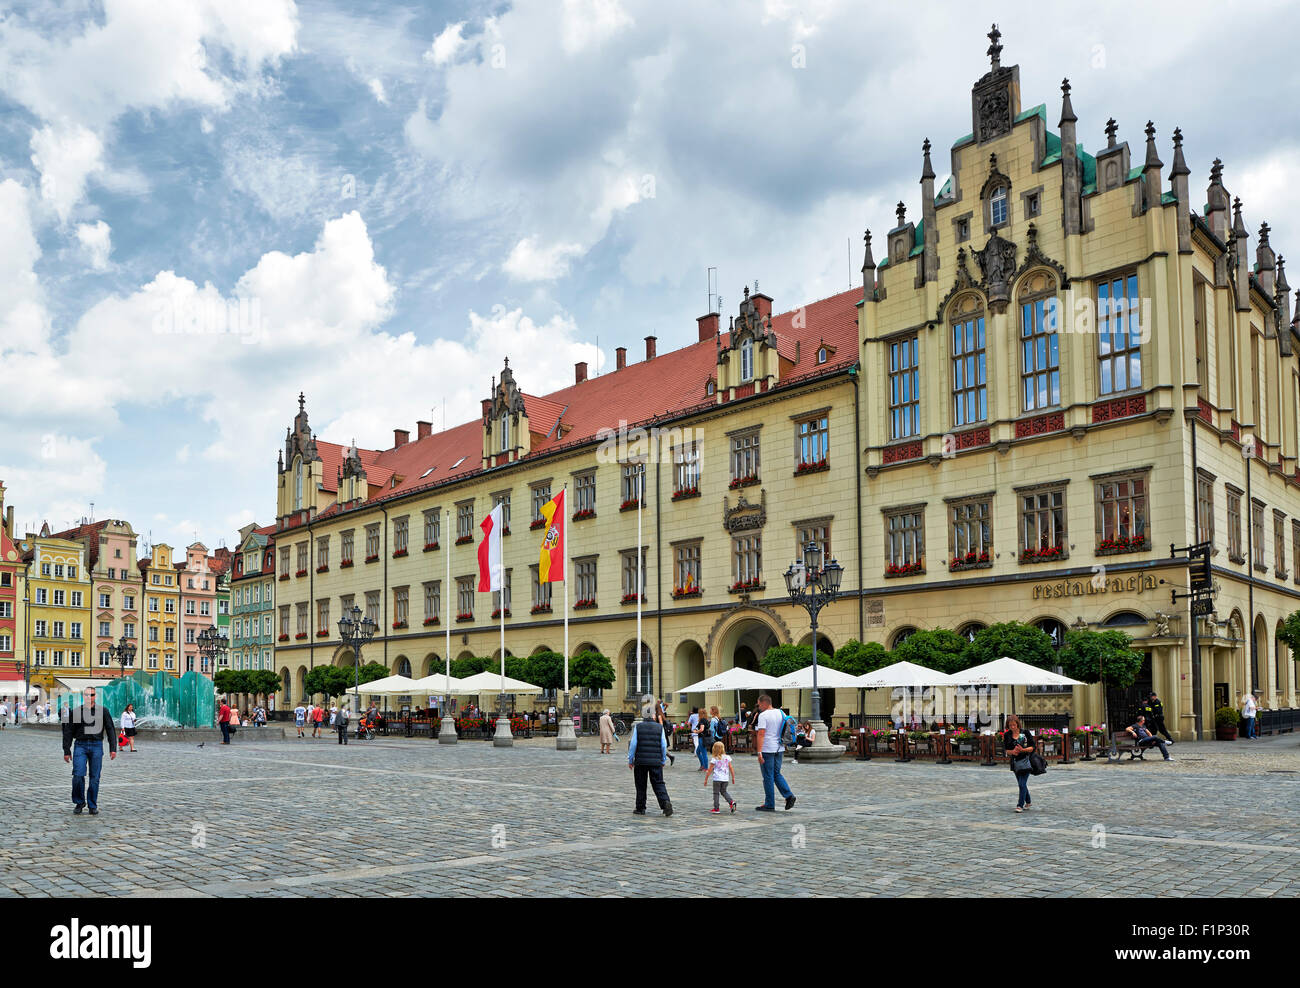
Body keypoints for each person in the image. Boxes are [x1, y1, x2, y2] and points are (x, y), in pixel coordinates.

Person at [61, 687, 117, 815]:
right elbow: (68, 732)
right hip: (80, 745)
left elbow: (110, 730)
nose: (88, 697)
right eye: (86, 695)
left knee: (95, 777)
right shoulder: (76, 712)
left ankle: (92, 804)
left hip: (96, 745)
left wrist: (113, 748)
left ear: (95, 696)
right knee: (78, 775)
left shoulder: (103, 711)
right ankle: (79, 802)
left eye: (91, 695)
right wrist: (66, 750)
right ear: (83, 696)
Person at [628, 695, 672, 817]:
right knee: (658, 783)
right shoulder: (659, 728)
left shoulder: (638, 727)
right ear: (653, 716)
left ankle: (640, 807)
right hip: (655, 761)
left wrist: (630, 759)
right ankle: (665, 803)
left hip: (641, 761)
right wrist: (663, 759)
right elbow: (663, 745)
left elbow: (633, 745)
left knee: (641, 784)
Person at [753, 694, 795, 812]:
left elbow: (761, 733)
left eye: (759, 704)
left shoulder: (764, 715)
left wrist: (759, 752)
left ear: (764, 703)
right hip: (779, 747)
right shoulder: (781, 713)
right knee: (776, 774)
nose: (759, 706)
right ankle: (789, 795)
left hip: (767, 748)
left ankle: (770, 804)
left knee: (768, 776)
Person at [1003, 714, 1034, 812]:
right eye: (1010, 725)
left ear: (1018, 724)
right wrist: (1012, 752)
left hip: (1026, 761)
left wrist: (1023, 750)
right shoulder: (1007, 735)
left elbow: (1033, 747)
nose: (1012, 727)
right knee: (1022, 784)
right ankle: (1028, 801)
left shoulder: (1025, 733)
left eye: (1014, 725)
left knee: (1022, 784)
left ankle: (1020, 805)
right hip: (1015, 762)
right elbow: (1006, 749)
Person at [704, 740, 737, 814]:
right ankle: (731, 802)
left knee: (716, 793)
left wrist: (706, 779)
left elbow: (709, 770)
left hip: (717, 779)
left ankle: (716, 808)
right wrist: (733, 777)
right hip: (725, 779)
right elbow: (731, 768)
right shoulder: (727, 757)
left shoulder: (714, 759)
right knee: (724, 791)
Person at [655, 701, 675, 767]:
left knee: (660, 747)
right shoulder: (661, 713)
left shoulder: (659, 715)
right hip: (662, 732)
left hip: (661, 733)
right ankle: (670, 757)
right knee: (659, 747)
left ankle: (664, 759)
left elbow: (661, 724)